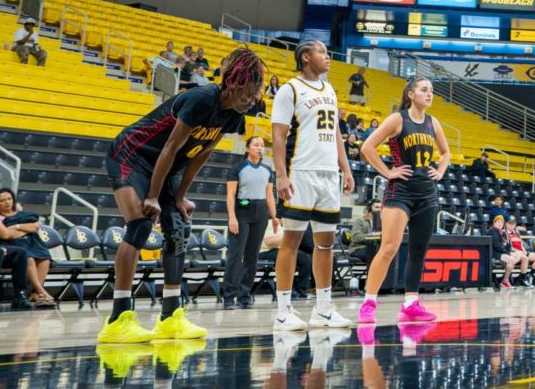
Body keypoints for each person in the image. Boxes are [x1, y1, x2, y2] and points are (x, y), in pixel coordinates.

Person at [97, 46, 265, 344]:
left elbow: (203, 153)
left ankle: (171, 317)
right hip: (132, 155)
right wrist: (151, 197)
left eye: (256, 93)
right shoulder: (201, 99)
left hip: (168, 167)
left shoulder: (234, 115)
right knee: (140, 224)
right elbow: (170, 147)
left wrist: (179, 197)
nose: (253, 99)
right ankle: (118, 319)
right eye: (249, 91)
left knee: (178, 228)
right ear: (232, 82)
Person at [271, 39, 356, 331]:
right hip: (300, 172)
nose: (327, 57)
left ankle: (323, 309)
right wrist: (281, 175)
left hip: (328, 175)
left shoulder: (330, 89)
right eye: (322, 52)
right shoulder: (289, 89)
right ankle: (283, 311)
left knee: (326, 244)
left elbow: (335, 135)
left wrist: (345, 169)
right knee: (291, 241)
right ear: (306, 57)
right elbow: (279, 136)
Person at [358, 75, 450, 323]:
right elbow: (367, 147)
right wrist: (387, 172)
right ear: (411, 94)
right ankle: (368, 302)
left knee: (419, 251)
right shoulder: (398, 118)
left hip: (427, 193)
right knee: (389, 247)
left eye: (431, 90)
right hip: (401, 193)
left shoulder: (434, 123)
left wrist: (440, 171)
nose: (429, 93)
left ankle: (411, 303)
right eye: (423, 89)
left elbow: (446, 152)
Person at [222, 136, 278, 308]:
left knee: (252, 257)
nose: (259, 148)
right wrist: (232, 216)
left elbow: (269, 196)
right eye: (256, 145)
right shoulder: (238, 168)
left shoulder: (268, 170)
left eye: (262, 146)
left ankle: (244, 294)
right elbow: (230, 195)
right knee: (235, 254)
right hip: (242, 212)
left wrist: (274, 217)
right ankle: (229, 296)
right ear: (247, 148)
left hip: (260, 212)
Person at [0, 187, 56, 306]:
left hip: (32, 242)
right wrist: (25, 229)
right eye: (2, 200)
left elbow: (35, 227)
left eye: (9, 199)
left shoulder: (24, 214)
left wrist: (16, 227)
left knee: (45, 258)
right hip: (11, 246)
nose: (7, 202)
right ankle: (41, 291)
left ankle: (34, 293)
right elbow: (6, 235)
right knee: (29, 259)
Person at [506, 217, 535, 287]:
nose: (511, 225)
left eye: (513, 223)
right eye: (510, 223)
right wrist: (519, 251)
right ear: (506, 224)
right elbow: (508, 247)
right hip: (514, 253)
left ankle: (531, 275)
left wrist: (524, 250)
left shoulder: (517, 233)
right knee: (524, 258)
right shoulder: (505, 233)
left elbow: (521, 244)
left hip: (521, 252)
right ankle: (523, 279)